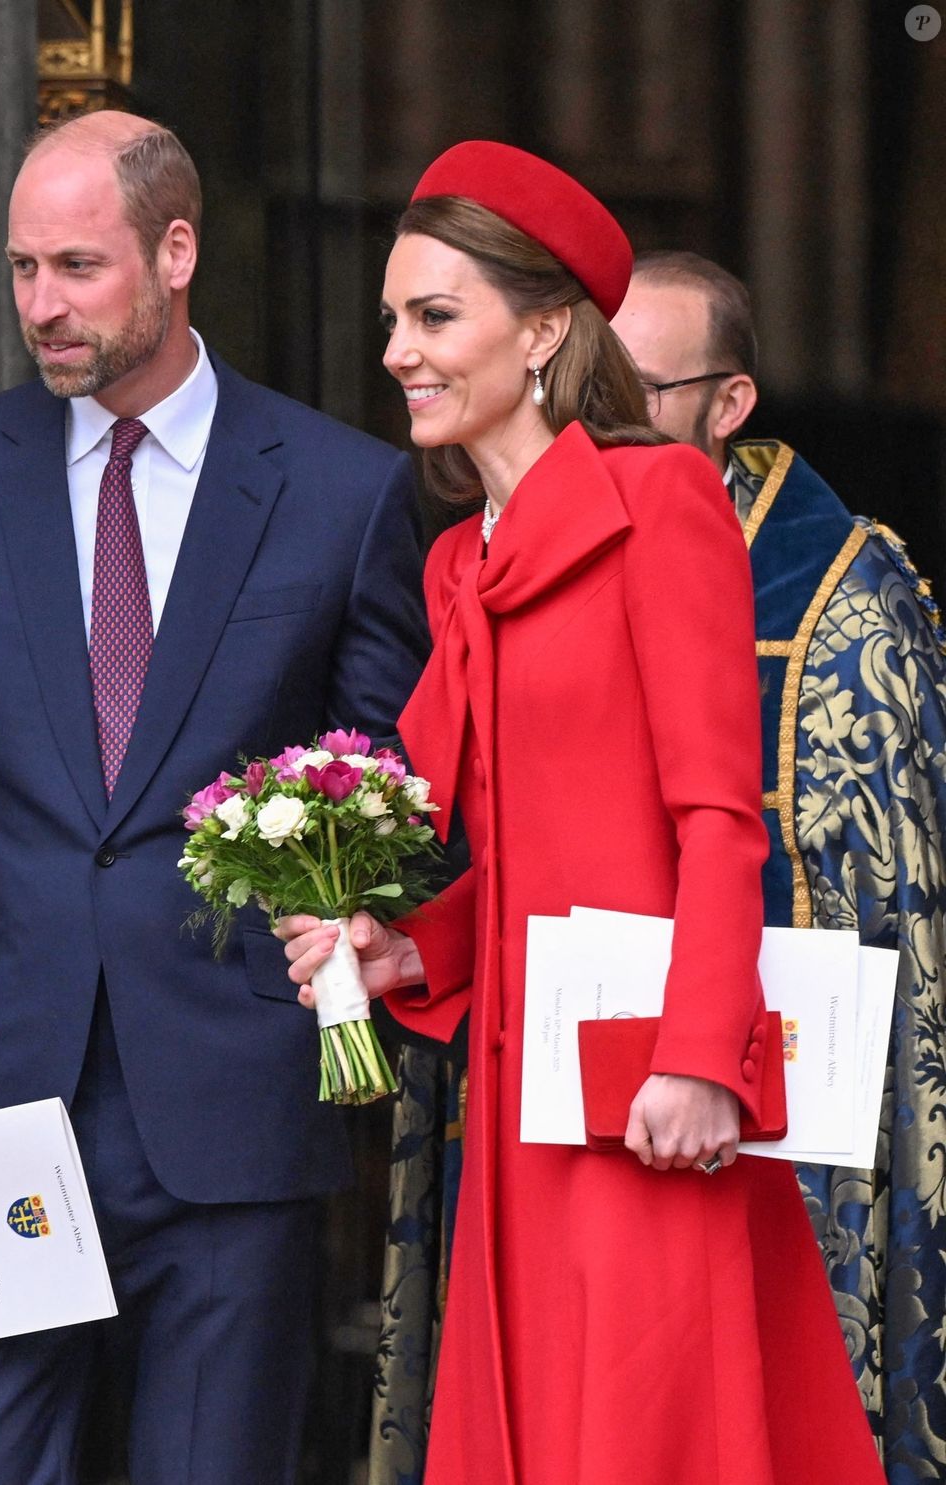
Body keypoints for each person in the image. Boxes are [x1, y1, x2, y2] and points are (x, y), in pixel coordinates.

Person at [0, 110, 429, 1485]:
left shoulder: (341, 493)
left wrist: (360, 936)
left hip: (238, 1108)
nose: (41, 305)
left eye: (77, 267)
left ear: (177, 251)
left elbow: (397, 793)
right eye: (24, 268)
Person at [280, 142, 884, 1484]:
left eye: (435, 316)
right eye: (393, 318)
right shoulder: (458, 560)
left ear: (548, 326)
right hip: (513, 1107)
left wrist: (695, 1058)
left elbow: (722, 819)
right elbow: (519, 861)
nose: (398, 352)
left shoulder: (659, 503)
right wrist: (404, 949)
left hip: (642, 1094)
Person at [609, 250, 946, 1471]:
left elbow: (890, 887)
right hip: (582, 1085)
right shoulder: (527, 546)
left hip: (787, 1095)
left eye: (641, 388)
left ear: (728, 402)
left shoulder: (847, 604)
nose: (607, 419)